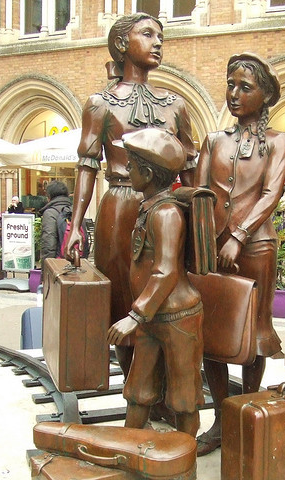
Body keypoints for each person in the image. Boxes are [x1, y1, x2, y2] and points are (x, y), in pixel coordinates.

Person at [64, 13, 197, 377]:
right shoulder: (100, 103)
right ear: (122, 44)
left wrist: (202, 214)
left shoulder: (176, 104)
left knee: (166, 288)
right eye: (148, 34)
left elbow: (190, 169)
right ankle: (134, 388)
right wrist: (74, 226)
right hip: (120, 205)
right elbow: (86, 166)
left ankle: (164, 387)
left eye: (161, 37)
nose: (158, 42)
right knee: (122, 294)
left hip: (168, 206)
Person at [194, 52, 285, 455]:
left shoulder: (277, 141)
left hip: (256, 247)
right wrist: (200, 242)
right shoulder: (215, 140)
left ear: (265, 96)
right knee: (210, 333)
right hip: (209, 248)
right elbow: (199, 194)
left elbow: (272, 192)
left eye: (245, 87)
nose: (234, 93)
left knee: (255, 333)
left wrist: (238, 234)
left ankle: (246, 409)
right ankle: (220, 417)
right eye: (230, 84)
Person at [106, 128, 203, 437]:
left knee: (184, 399)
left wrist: (135, 316)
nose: (125, 170)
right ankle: (129, 453)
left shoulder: (166, 214)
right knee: (138, 390)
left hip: (177, 319)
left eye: (131, 166)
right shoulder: (148, 208)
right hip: (152, 319)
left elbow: (165, 271)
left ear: (146, 173)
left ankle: (185, 464)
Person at [40, 181, 72, 260]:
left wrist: (46, 267)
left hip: (58, 264)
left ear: (49, 196)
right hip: (77, 261)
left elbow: (49, 244)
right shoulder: (75, 210)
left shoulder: (50, 213)